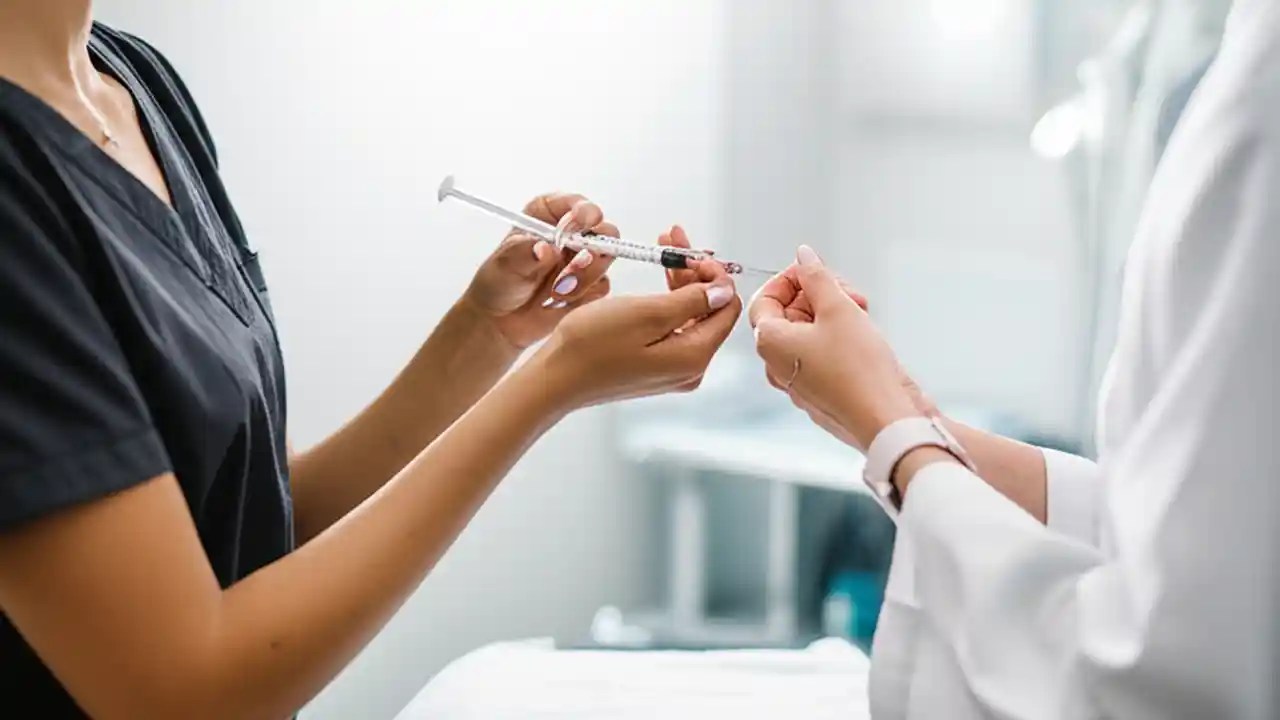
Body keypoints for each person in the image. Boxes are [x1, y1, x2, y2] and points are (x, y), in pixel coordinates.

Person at [0, 3, 741, 717]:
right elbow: (187, 693)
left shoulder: (133, 84)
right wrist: (554, 384)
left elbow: (265, 521)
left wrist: (489, 337)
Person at [748, 0, 1280, 717]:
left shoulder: (1263, 101)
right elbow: (1194, 528)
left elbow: (1160, 672)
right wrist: (900, 418)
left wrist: (897, 437)